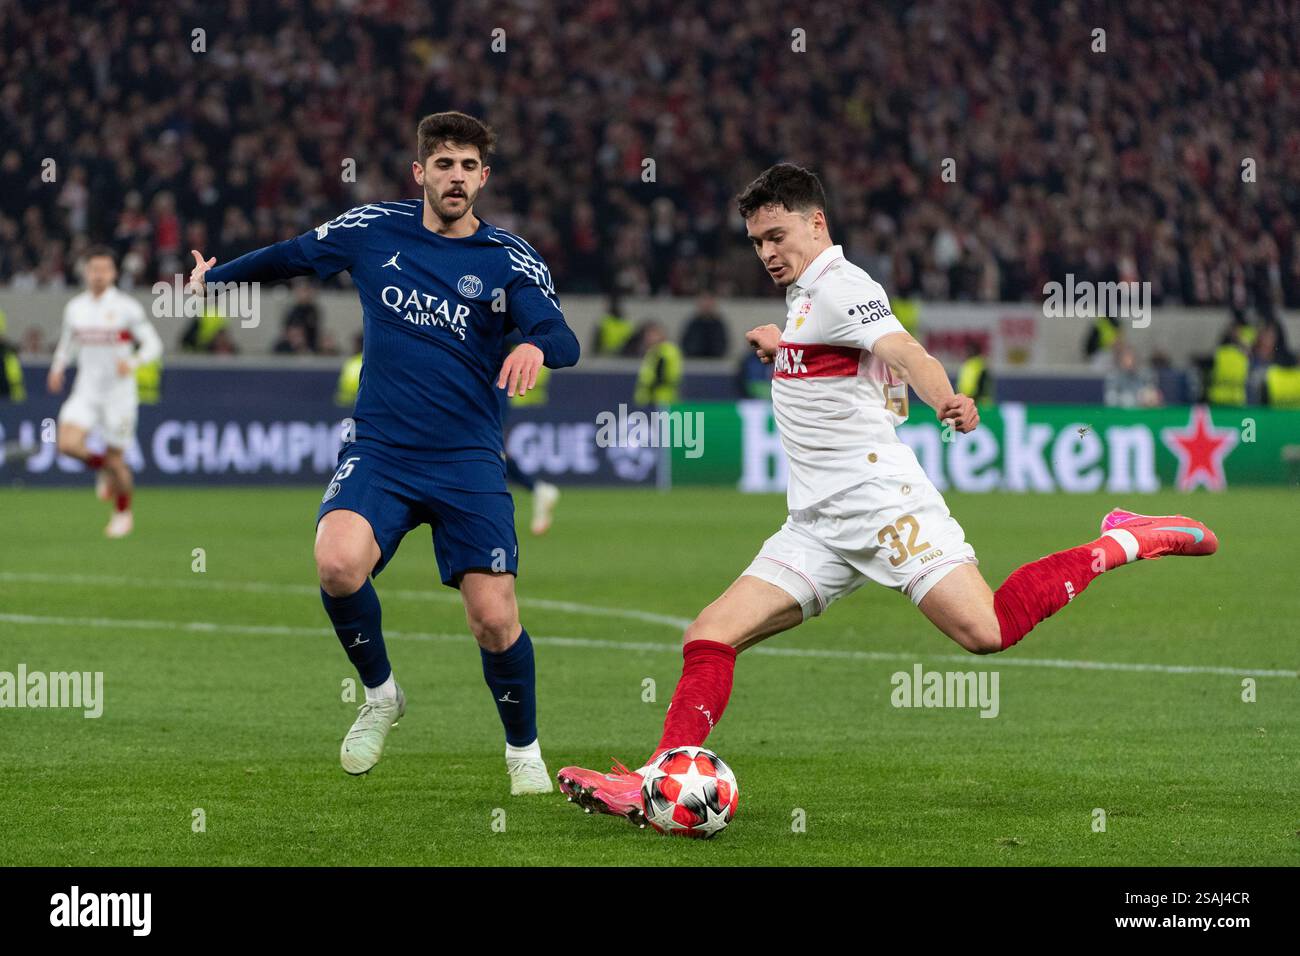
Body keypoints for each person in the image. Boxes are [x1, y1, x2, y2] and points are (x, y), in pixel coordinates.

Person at [556, 163, 1218, 829]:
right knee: (709, 634)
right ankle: (652, 781)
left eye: (777, 236)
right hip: (816, 523)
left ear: (818, 224)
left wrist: (947, 398)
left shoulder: (843, 285)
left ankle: (1127, 537)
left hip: (880, 504)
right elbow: (837, 360)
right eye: (757, 242)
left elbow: (904, 351)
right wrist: (778, 341)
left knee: (986, 632)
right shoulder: (806, 297)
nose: (768, 253)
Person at [187, 111, 580, 793]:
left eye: (468, 167)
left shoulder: (509, 259)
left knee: (493, 619)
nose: (455, 178)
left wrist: (532, 342)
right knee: (337, 562)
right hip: (383, 452)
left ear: (483, 178)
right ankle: (381, 694)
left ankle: (523, 752)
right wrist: (217, 279)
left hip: (467, 461)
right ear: (419, 172)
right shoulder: (372, 230)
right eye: (443, 164)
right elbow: (292, 255)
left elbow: (562, 338)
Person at [47, 248, 163, 538]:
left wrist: (134, 362)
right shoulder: (75, 308)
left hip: (119, 396)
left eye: (104, 270)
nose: (98, 275)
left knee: (117, 460)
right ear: (86, 272)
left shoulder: (127, 308)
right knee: (67, 444)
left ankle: (123, 512)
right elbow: (67, 343)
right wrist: (58, 367)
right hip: (85, 390)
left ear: (113, 274)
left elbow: (154, 345)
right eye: (93, 269)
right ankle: (104, 470)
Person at [633, 320, 683, 405]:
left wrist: (652, 390)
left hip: (660, 400)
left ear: (661, 335)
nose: (648, 338)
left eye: (652, 334)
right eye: (647, 335)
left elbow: (666, 376)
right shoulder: (652, 352)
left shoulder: (667, 351)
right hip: (648, 400)